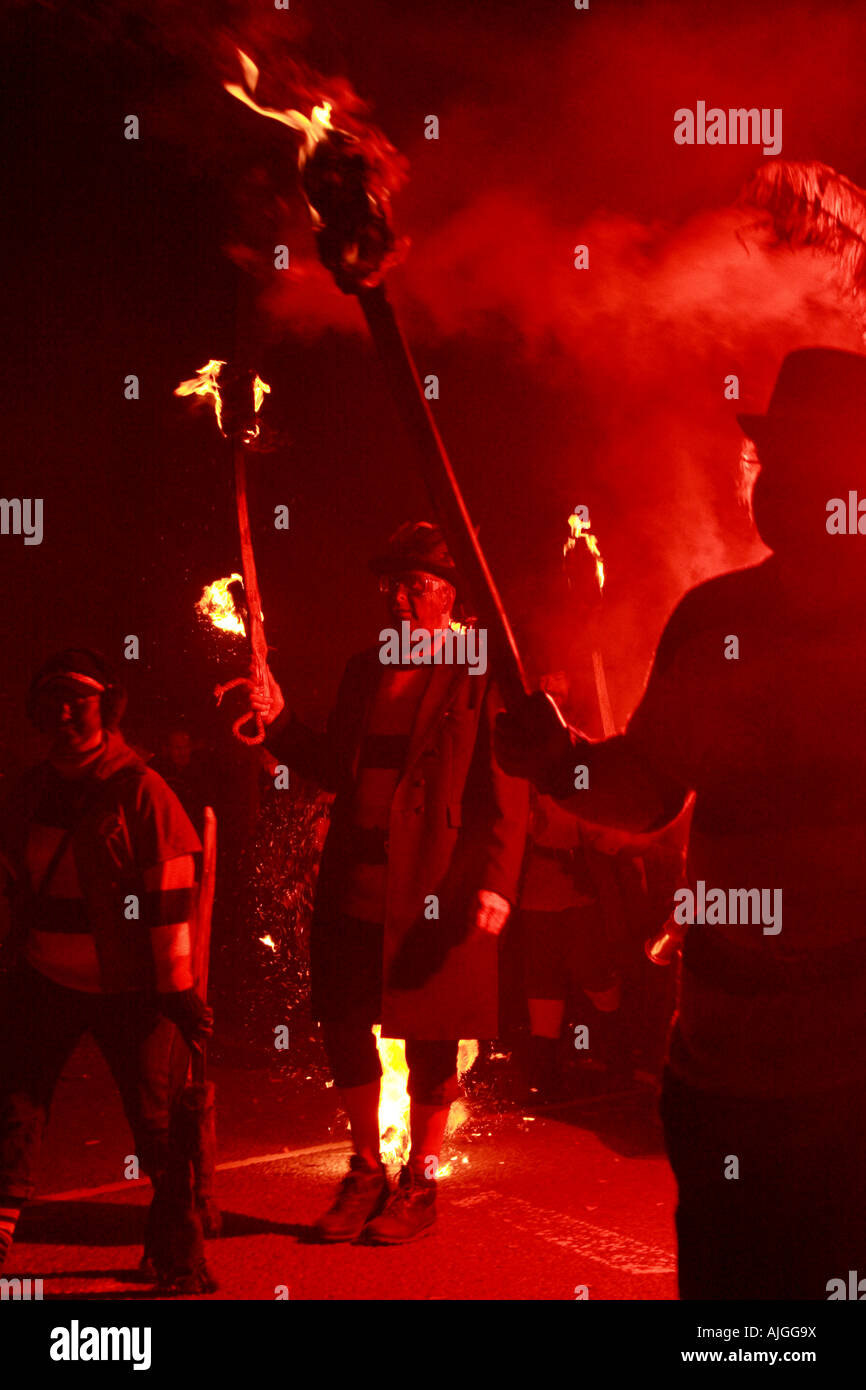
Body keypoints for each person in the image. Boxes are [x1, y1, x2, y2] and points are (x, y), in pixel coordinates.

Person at [495, 347, 866, 1299]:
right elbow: (647, 789)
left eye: (812, 466)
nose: (778, 488)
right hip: (724, 1070)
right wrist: (558, 758)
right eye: (775, 466)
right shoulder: (716, 619)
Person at [248, 522, 528, 1243]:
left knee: (432, 1037)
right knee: (344, 1025)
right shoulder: (364, 667)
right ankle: (366, 1169)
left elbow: (507, 786)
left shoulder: (481, 669)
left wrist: (497, 879)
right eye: (392, 585)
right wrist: (278, 721)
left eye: (417, 585)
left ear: (450, 595)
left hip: (438, 881)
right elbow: (335, 767)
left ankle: (422, 1183)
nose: (400, 598)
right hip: (356, 878)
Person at [0, 649, 214, 1290]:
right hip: (44, 976)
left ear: (107, 708)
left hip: (132, 988)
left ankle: (179, 1248)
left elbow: (173, 888)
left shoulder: (142, 790)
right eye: (53, 701)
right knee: (16, 1108)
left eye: (79, 700)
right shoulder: (29, 791)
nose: (64, 712)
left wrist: (175, 989)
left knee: (156, 1121)